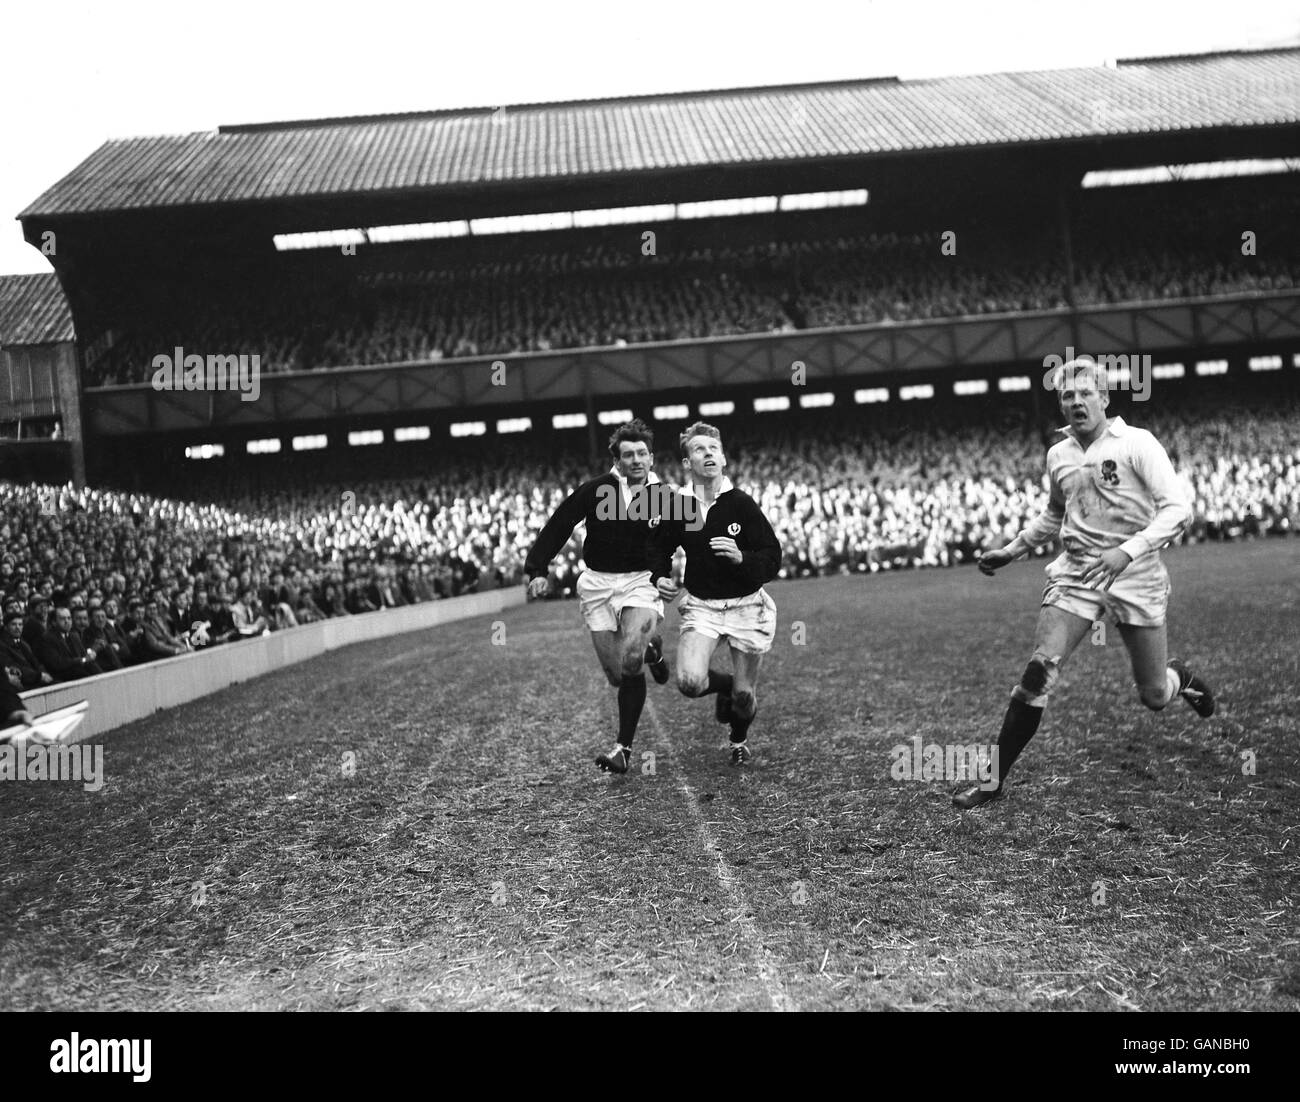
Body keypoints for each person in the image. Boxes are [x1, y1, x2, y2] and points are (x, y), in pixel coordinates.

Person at [954, 357, 1216, 809]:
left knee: (1154, 695)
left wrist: (1126, 551)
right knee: (1038, 672)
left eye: (1084, 393)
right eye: (1066, 396)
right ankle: (993, 782)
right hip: (1076, 573)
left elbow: (1178, 510)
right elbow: (1055, 515)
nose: (1076, 401)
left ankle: (1181, 677)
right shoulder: (1059, 453)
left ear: (1104, 397)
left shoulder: (1137, 443)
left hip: (1135, 573)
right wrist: (1012, 549)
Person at [524, 419, 671, 774]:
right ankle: (653, 649)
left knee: (630, 660)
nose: (636, 460)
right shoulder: (595, 490)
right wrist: (537, 570)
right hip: (598, 586)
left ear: (651, 457)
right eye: (628, 454)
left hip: (640, 582)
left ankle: (623, 749)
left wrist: (674, 575)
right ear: (617, 461)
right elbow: (560, 524)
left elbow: (684, 537)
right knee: (618, 675)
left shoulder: (665, 496)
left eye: (642, 453)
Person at [651, 421, 782, 765]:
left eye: (713, 449)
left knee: (744, 697)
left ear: (723, 459)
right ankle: (723, 686)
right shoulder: (678, 505)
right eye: (698, 449)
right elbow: (660, 549)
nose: (707, 453)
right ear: (686, 464)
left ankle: (738, 738)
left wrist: (742, 558)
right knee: (690, 683)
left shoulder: (741, 504)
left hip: (747, 606)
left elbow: (772, 556)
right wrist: (661, 577)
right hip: (702, 606)